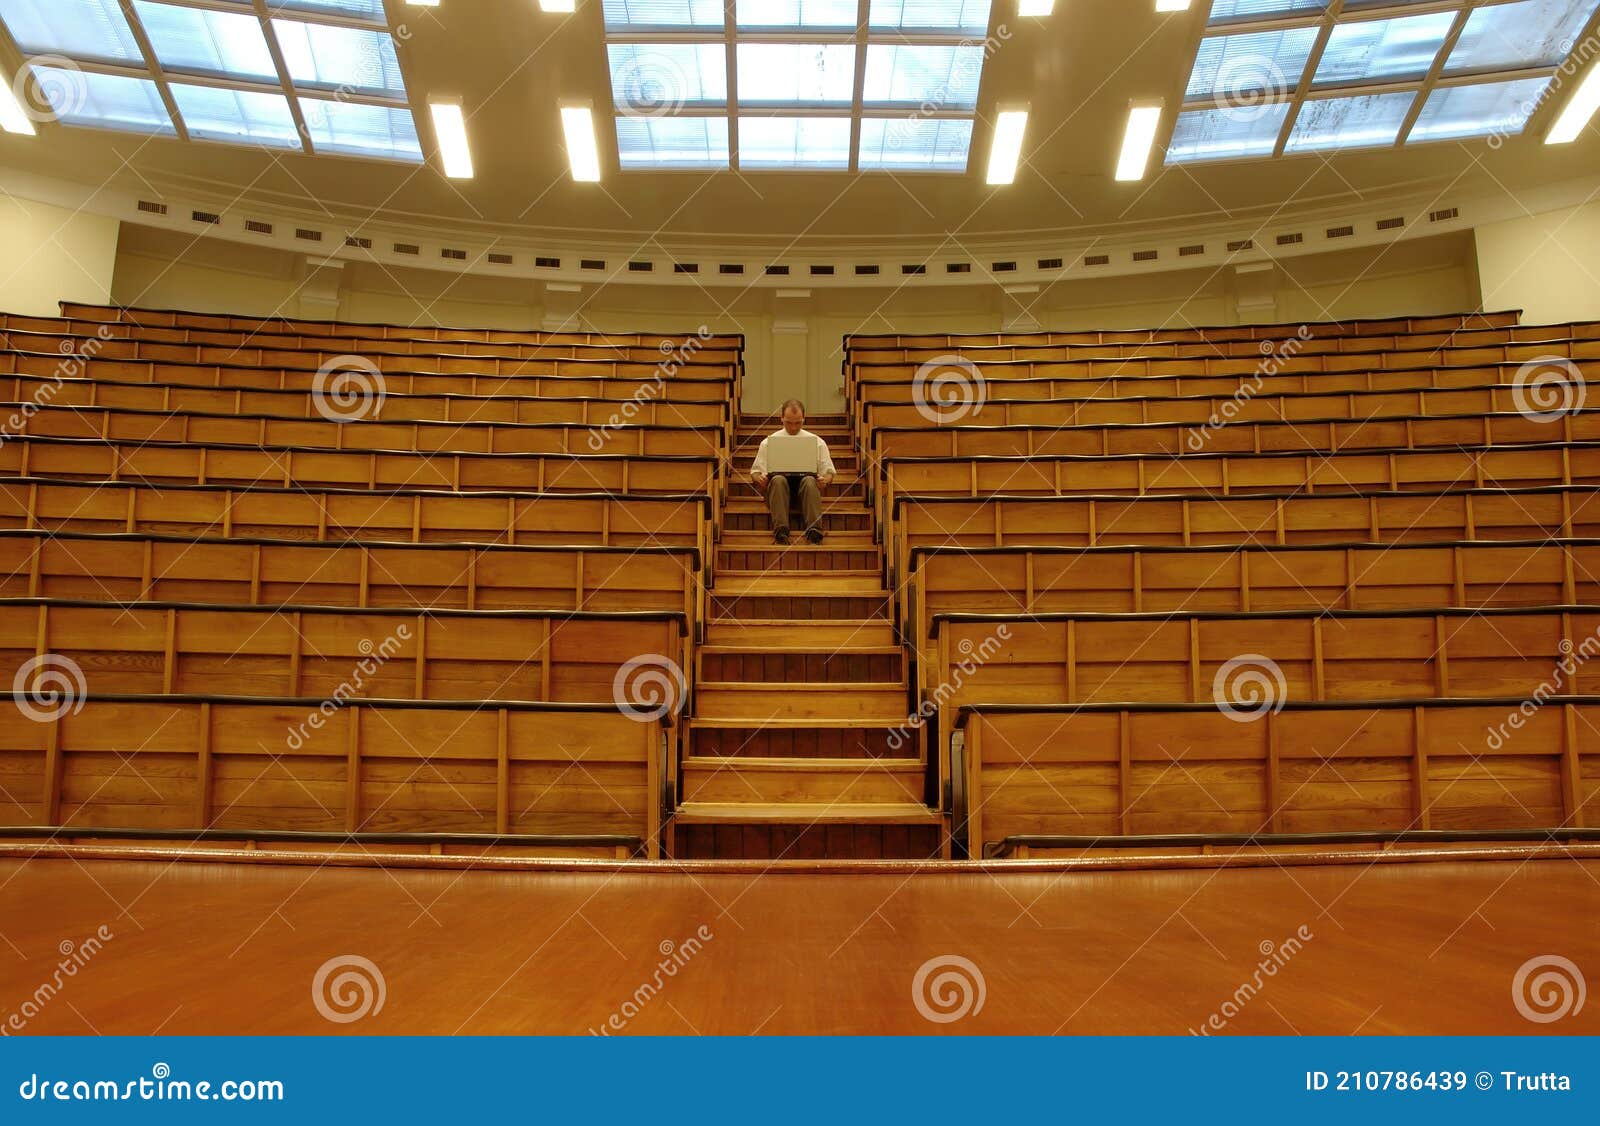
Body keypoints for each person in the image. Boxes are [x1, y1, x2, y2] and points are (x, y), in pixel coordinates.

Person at [750, 399, 836, 545]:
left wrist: (825, 480)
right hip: (778, 491)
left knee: (809, 480)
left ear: (804, 418)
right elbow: (755, 472)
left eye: (798, 423)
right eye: (789, 422)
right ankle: (781, 532)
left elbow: (829, 472)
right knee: (778, 480)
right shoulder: (769, 442)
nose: (793, 427)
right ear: (781, 418)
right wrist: (760, 479)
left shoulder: (816, 441)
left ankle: (814, 531)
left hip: (807, 491)